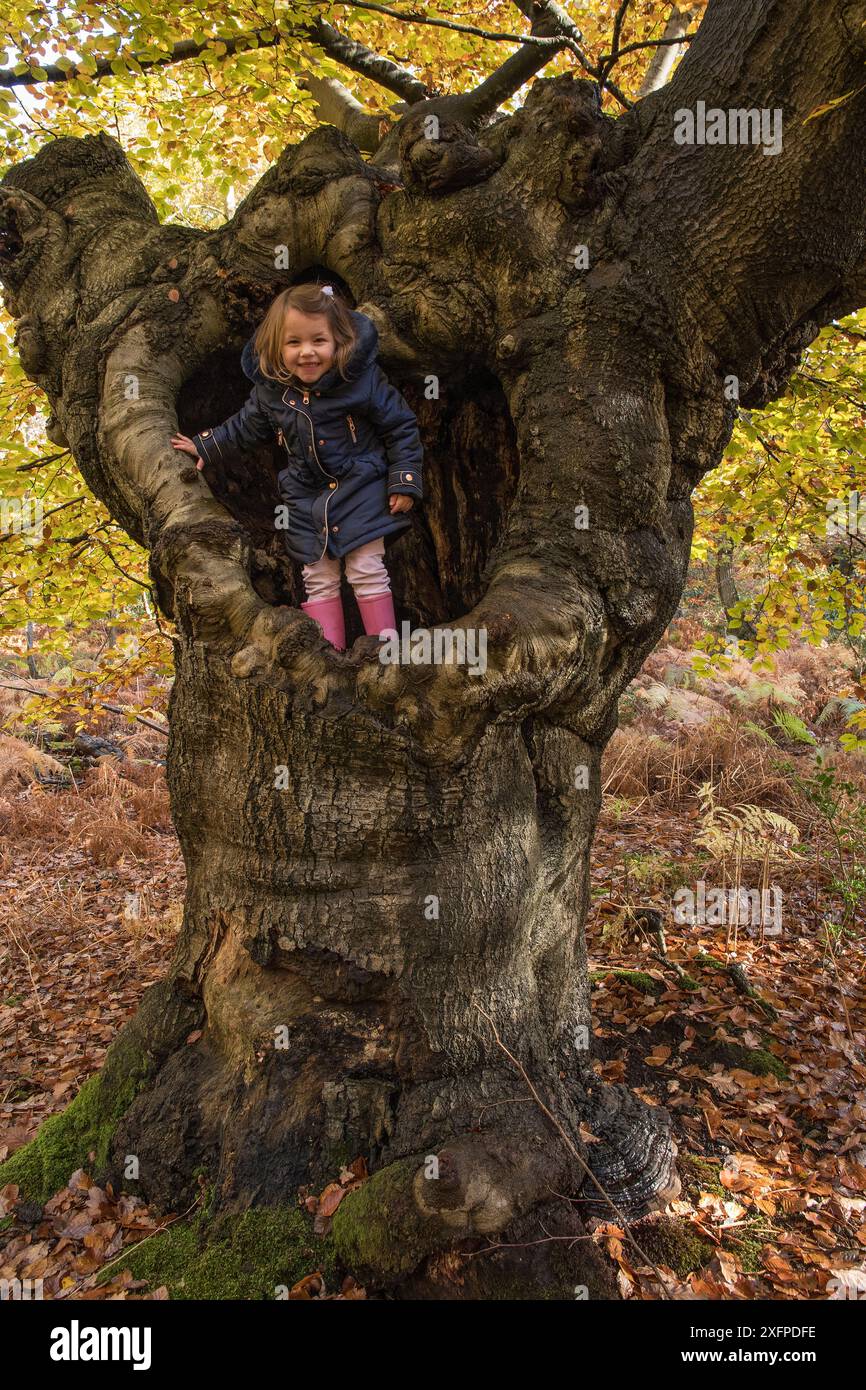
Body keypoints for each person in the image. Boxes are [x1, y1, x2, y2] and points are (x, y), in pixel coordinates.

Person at [171, 282, 423, 650]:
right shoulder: (271, 392)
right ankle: (328, 654)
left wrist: (404, 480)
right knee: (317, 575)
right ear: (276, 346)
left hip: (361, 487)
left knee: (366, 569)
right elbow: (244, 428)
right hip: (305, 496)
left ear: (338, 341)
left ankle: (386, 651)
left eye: (318, 341)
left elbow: (400, 425)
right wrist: (205, 445)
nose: (307, 352)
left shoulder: (361, 381)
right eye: (294, 343)